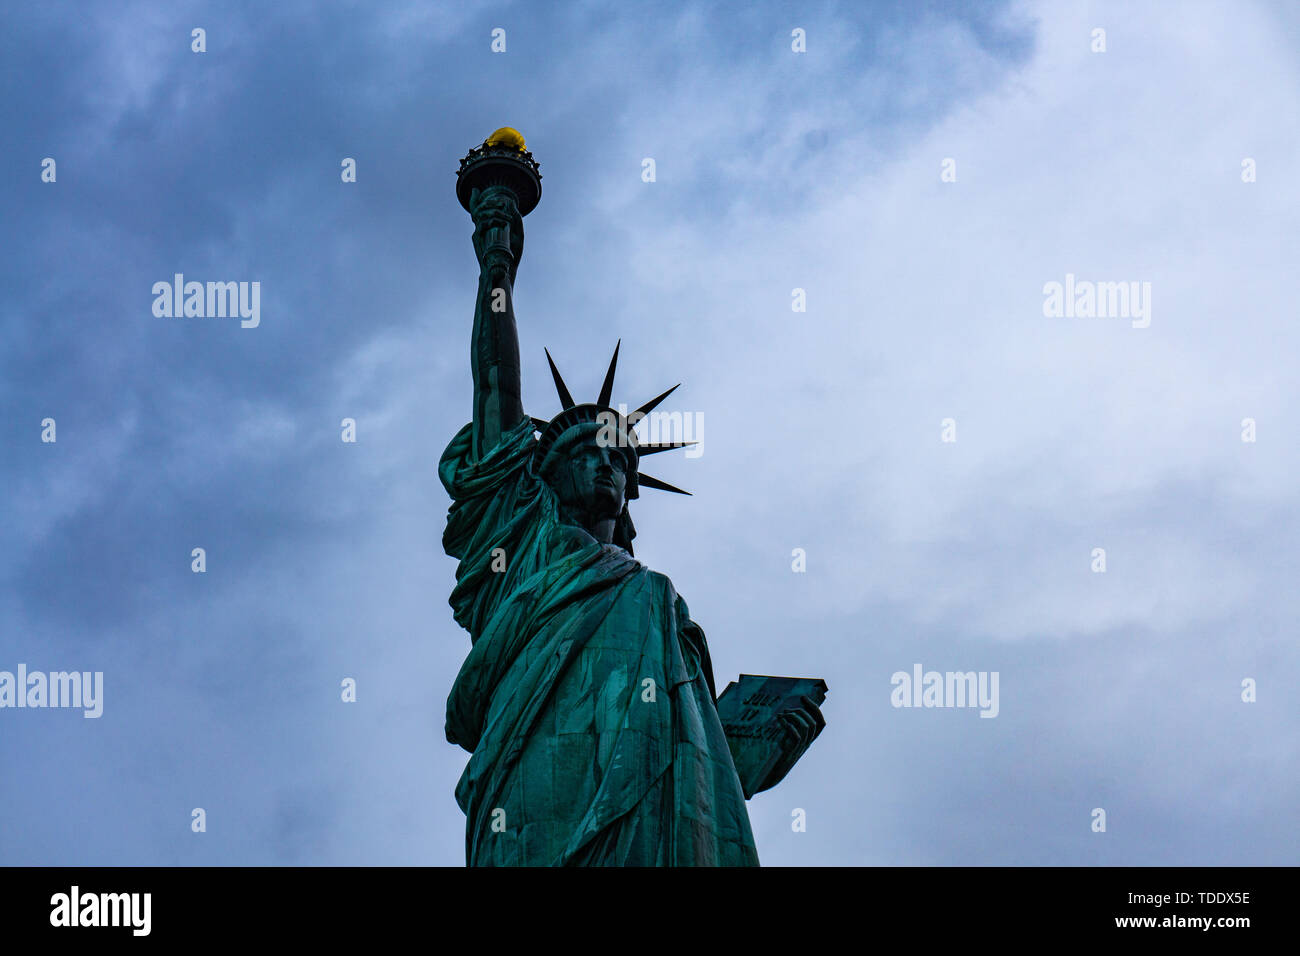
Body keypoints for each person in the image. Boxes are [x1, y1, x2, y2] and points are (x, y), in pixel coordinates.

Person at [441, 185, 823, 865]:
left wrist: (750, 751)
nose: (605, 467)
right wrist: (496, 260)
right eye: (581, 453)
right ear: (540, 477)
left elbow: (686, 758)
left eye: (617, 458)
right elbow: (495, 390)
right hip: (535, 788)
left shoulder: (656, 604)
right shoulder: (524, 546)